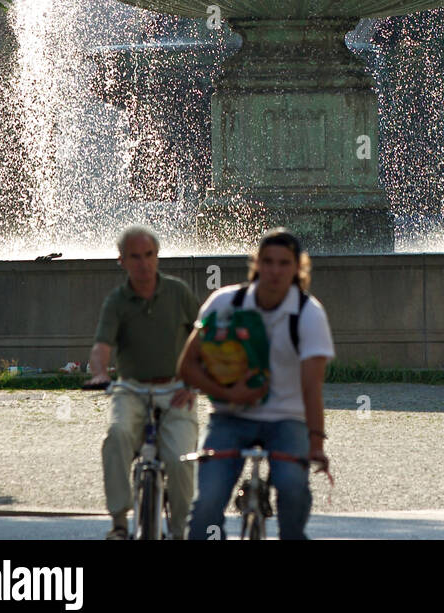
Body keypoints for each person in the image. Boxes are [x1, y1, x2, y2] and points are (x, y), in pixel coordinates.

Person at [178, 228, 334, 541]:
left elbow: (311, 388)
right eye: (268, 262)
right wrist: (226, 394)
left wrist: (315, 443)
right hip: (230, 416)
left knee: (292, 489)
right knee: (206, 508)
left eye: (284, 263)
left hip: (287, 419)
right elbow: (186, 365)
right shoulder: (225, 303)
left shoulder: (308, 314)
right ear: (256, 264)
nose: (275, 271)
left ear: (297, 267)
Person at [87, 226, 201, 540]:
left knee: (180, 459)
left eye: (149, 255)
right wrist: (100, 373)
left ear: (157, 256)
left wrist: (194, 380)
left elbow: (203, 337)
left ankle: (179, 531)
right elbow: (101, 347)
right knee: (117, 435)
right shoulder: (117, 302)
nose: (143, 263)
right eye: (135, 257)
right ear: (121, 261)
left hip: (177, 390)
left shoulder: (178, 293)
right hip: (131, 389)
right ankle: (120, 522)